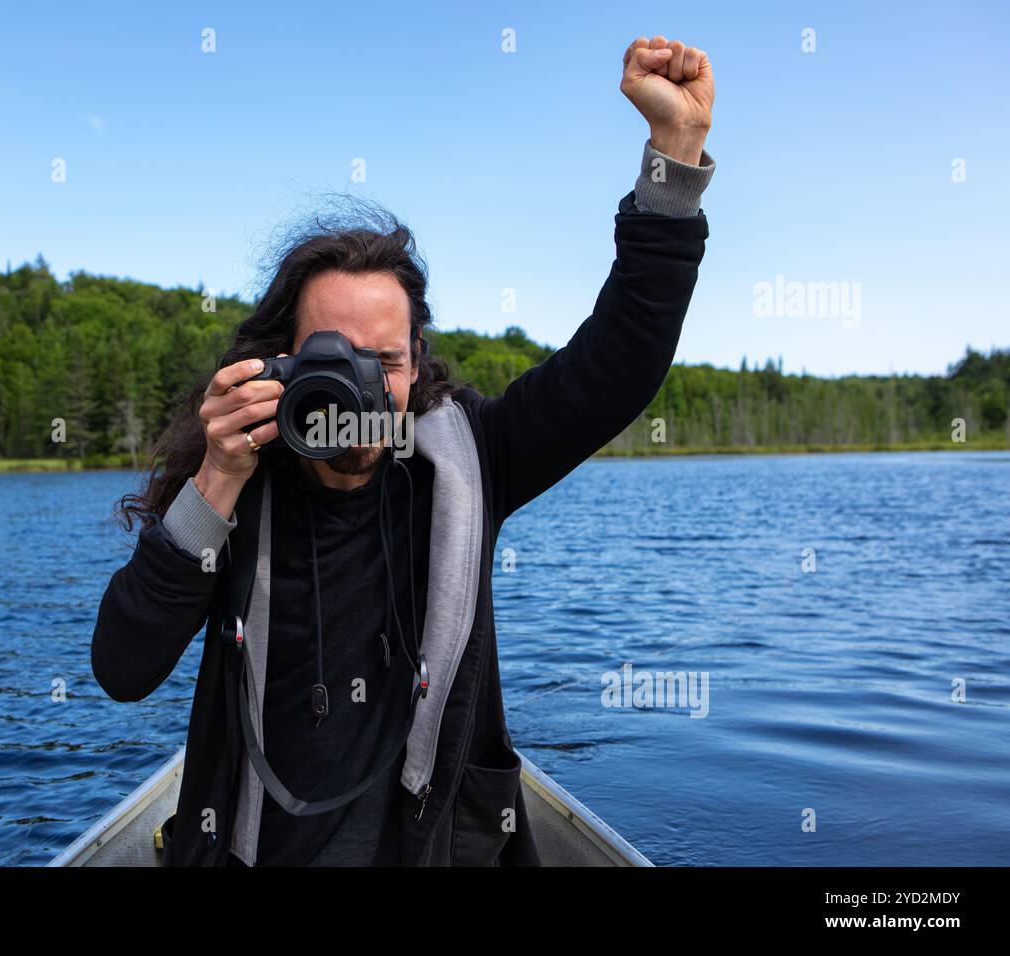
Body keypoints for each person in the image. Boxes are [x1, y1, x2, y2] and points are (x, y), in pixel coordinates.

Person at [91, 35, 716, 866]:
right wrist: (216, 476)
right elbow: (123, 668)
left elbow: (621, 358)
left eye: (381, 360)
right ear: (281, 362)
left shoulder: (474, 456)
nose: (357, 383)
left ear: (416, 365)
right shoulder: (237, 487)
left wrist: (673, 158)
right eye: (330, 355)